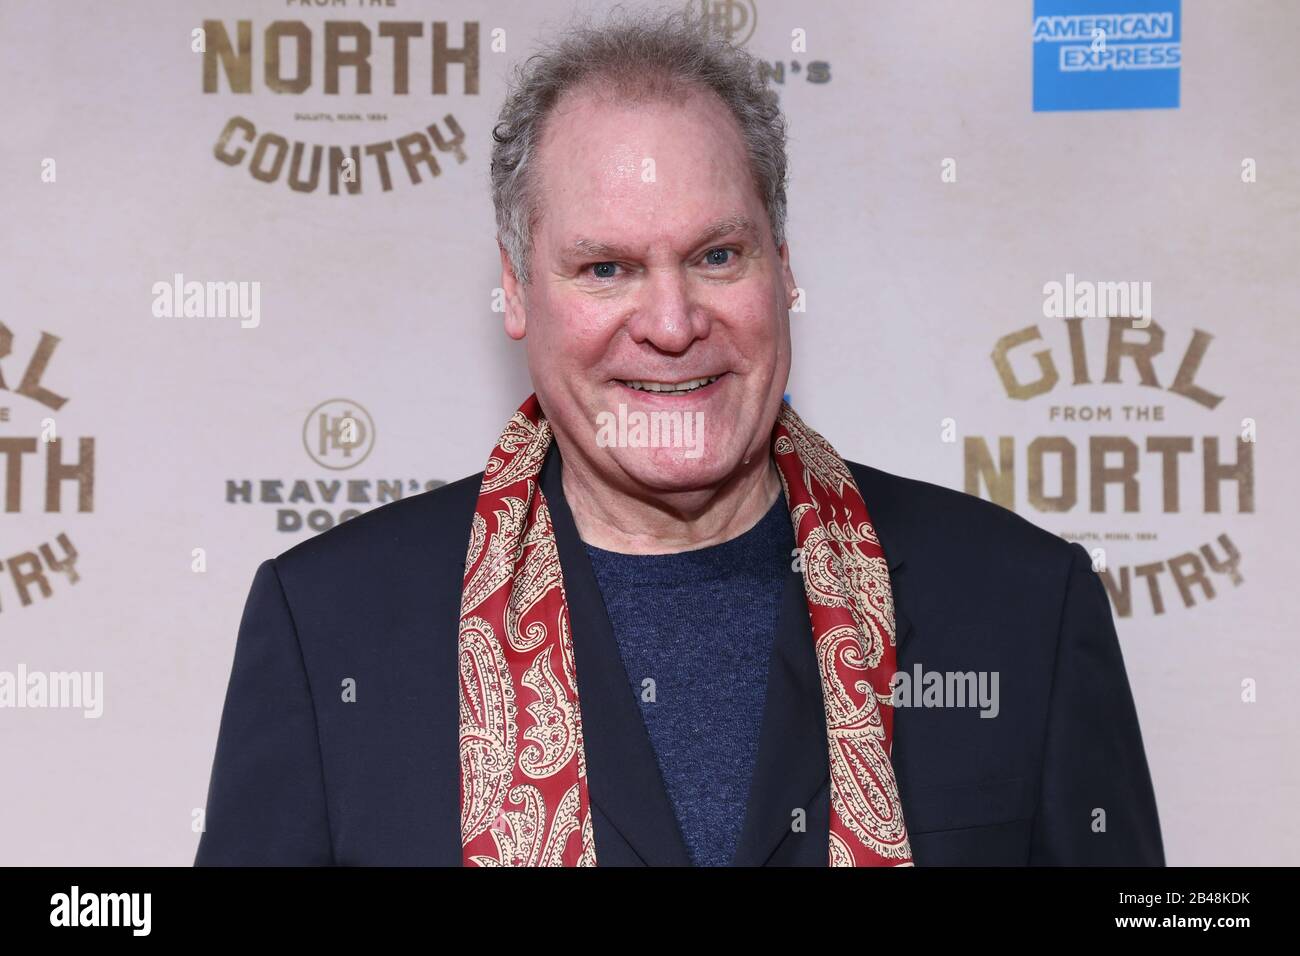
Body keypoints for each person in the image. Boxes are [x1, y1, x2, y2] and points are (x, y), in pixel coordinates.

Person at [195, 7, 1163, 867]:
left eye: (715, 254)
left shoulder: (1024, 604)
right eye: (606, 266)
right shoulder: (330, 627)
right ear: (514, 288)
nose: (669, 320)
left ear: (782, 267)